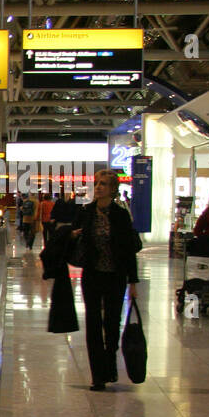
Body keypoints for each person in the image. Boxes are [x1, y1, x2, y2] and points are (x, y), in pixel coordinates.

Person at [70, 168, 140, 392]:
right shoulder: (86, 213)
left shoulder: (120, 215)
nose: (98, 187)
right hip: (92, 275)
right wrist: (72, 235)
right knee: (93, 323)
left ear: (113, 189)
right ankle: (97, 375)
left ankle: (109, 365)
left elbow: (129, 250)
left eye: (103, 184)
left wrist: (133, 281)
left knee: (111, 324)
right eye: (97, 183)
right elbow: (73, 234)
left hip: (115, 276)